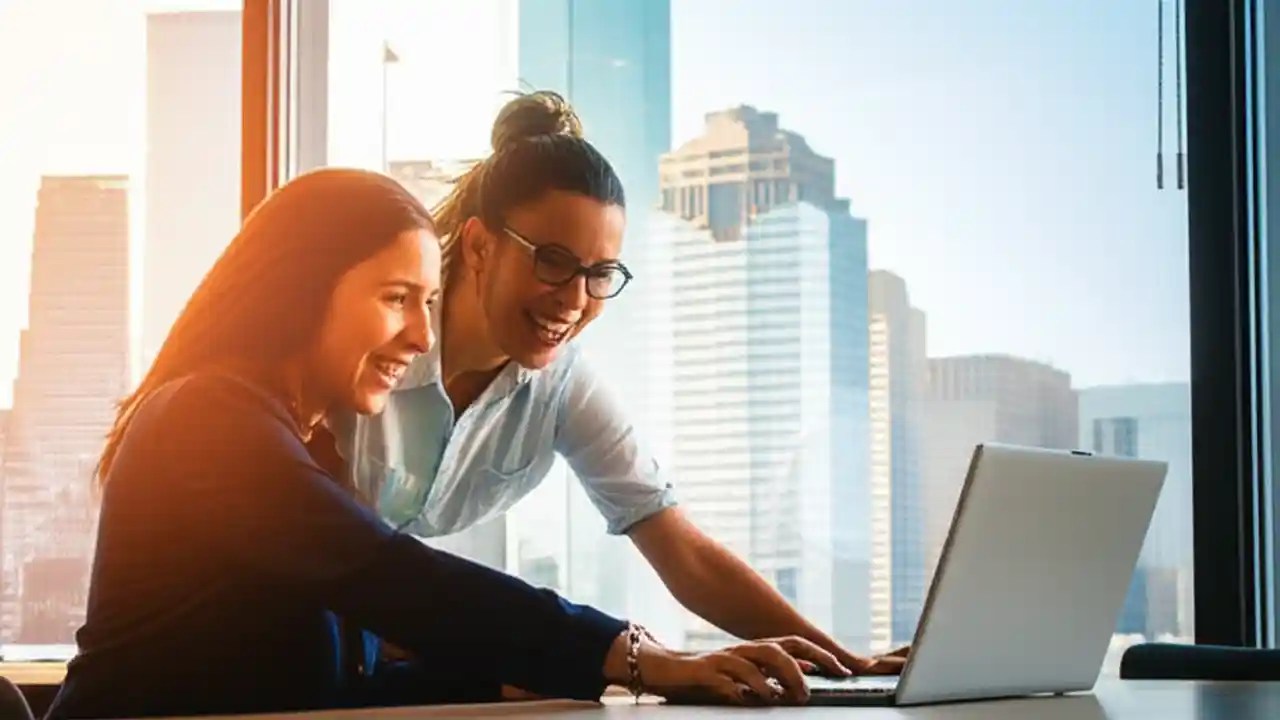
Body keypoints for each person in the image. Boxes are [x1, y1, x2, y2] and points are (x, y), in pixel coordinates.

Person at [44, 168, 845, 720]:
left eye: (428, 302)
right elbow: (392, 576)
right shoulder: (210, 422)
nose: (420, 335)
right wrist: (628, 653)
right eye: (396, 299)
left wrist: (517, 676)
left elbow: (325, 680)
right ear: (301, 289)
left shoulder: (304, 445)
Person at [334, 91, 907, 674]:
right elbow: (317, 538)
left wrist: (850, 665)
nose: (575, 301)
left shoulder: (560, 385)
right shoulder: (375, 334)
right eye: (552, 261)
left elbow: (683, 553)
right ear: (482, 246)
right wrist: (636, 660)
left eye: (600, 274)